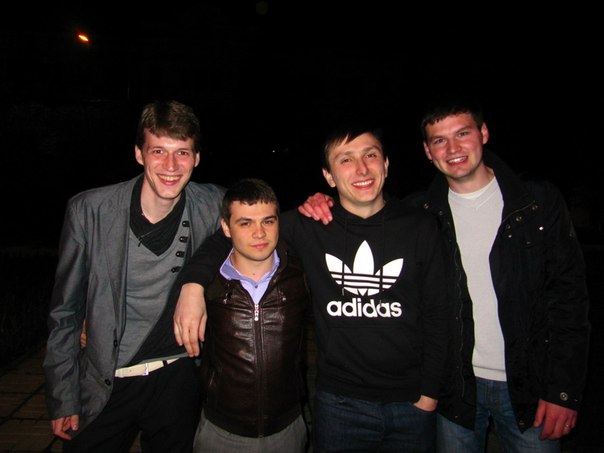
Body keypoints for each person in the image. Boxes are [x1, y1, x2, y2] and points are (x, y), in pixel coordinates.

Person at [299, 97, 591, 452]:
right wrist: (322, 201)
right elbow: (366, 212)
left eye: (462, 134)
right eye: (440, 140)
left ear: (484, 133)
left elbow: (569, 299)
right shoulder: (422, 210)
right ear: (427, 150)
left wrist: (562, 390)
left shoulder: (536, 202)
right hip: (456, 388)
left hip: (528, 386)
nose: (452, 148)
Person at [173, 123, 449, 452]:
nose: (361, 168)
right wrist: (192, 286)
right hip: (339, 404)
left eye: (370, 155)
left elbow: (440, 315)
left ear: (386, 165)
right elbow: (235, 233)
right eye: (346, 159)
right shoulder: (308, 226)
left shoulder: (420, 226)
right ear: (329, 176)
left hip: (411, 403)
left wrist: (429, 394)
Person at [43, 100, 226, 452]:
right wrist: (63, 395)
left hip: (176, 378)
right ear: (139, 154)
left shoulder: (211, 203)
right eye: (158, 151)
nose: (171, 166)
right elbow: (64, 312)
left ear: (197, 158)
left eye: (182, 153)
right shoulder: (90, 211)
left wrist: (194, 285)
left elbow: (262, 224)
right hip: (107, 381)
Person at [184, 177, 311, 452]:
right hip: (221, 432)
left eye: (268, 221)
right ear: (226, 228)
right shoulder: (208, 283)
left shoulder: (301, 275)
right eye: (245, 223)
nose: (259, 233)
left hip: (287, 429)